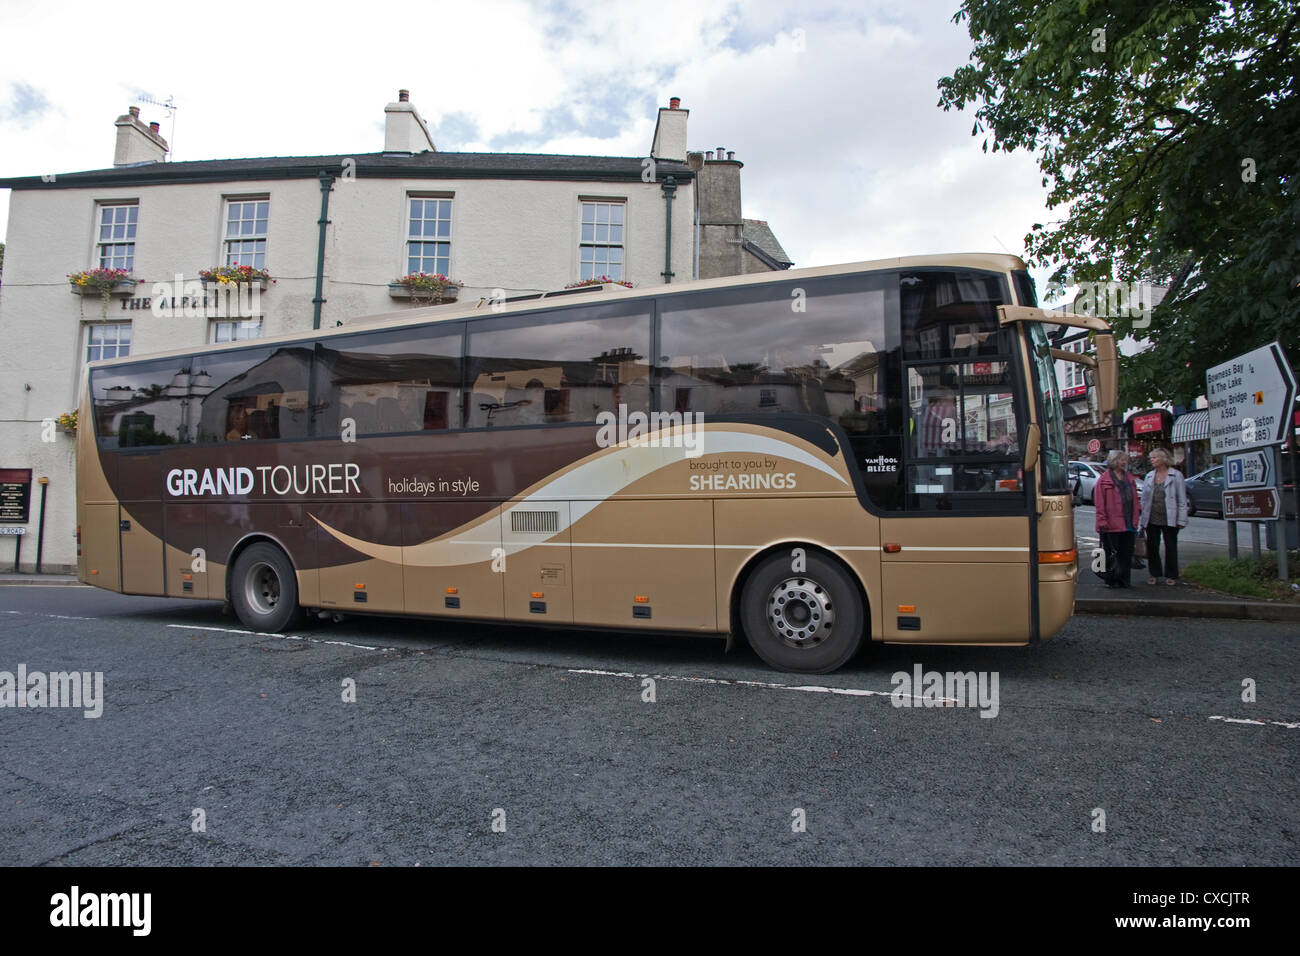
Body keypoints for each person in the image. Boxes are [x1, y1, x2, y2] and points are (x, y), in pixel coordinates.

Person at [1137, 448, 1188, 585]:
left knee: (1171, 546)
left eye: (1154, 458)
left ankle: (1171, 575)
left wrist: (1182, 519)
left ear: (1163, 459)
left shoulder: (1176, 475)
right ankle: (1154, 573)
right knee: (1152, 547)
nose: (1151, 460)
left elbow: (1182, 499)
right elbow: (1144, 500)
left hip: (1169, 517)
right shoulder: (1149, 476)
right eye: (1151, 458)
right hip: (1151, 516)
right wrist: (1142, 520)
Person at [1095, 449, 1141, 588]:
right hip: (1111, 524)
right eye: (1122, 460)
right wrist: (1102, 520)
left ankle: (1125, 580)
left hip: (1128, 524)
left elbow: (1134, 499)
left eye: (1125, 460)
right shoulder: (1104, 480)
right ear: (1114, 462)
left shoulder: (1130, 478)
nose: (1124, 462)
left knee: (1126, 553)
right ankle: (1112, 579)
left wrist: (1137, 515)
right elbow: (1099, 502)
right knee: (1112, 554)